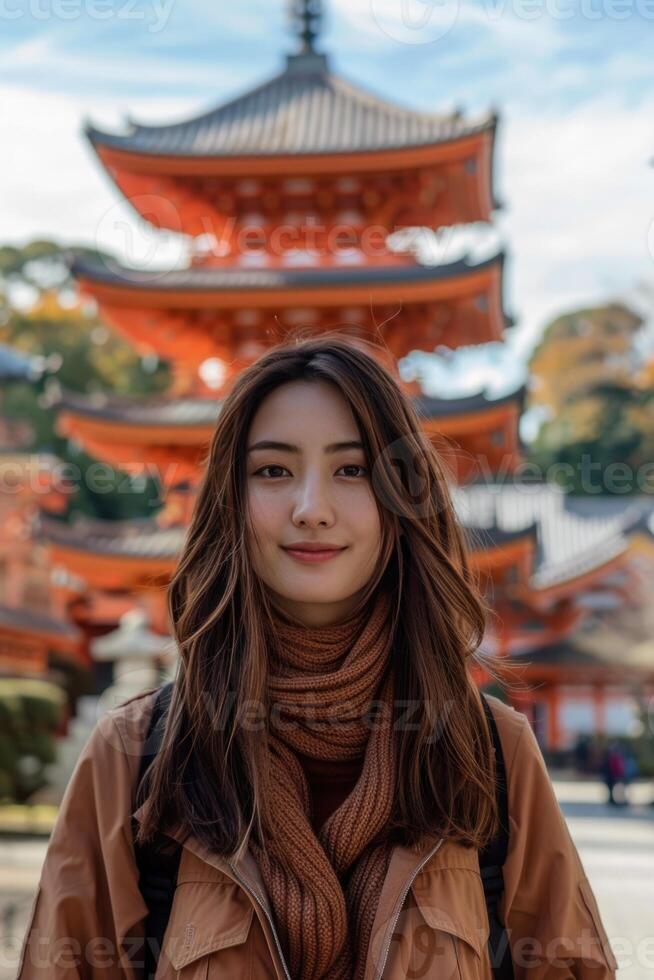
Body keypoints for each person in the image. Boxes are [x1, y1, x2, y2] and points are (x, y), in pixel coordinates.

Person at [16, 336, 618, 979]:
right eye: (273, 470)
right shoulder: (137, 758)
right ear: (231, 500)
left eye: (352, 470)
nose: (311, 509)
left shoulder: (489, 754)